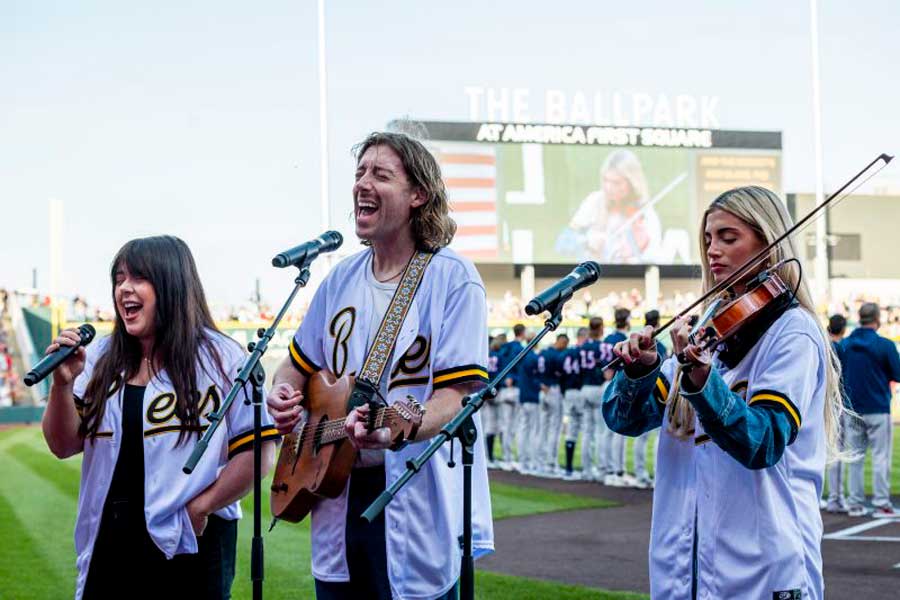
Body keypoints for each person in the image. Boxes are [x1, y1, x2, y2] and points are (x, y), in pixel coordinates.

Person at [265, 131, 493, 600]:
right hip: (334, 491)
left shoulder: (451, 278)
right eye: (359, 173)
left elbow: (456, 397)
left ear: (418, 195)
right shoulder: (339, 278)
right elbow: (295, 367)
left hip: (413, 491)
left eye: (380, 175)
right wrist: (283, 394)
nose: (362, 184)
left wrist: (396, 429)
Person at [603, 186, 846, 599]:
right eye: (708, 239)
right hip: (684, 562)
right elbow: (624, 420)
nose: (713, 250)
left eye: (729, 238)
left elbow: (762, 442)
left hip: (766, 564)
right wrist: (640, 372)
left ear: (768, 244)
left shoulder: (792, 331)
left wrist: (701, 381)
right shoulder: (705, 331)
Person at [41, 235, 279, 600]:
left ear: (171, 284)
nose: (124, 289)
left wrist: (203, 506)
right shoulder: (100, 355)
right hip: (112, 535)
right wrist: (62, 384)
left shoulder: (222, 357)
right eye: (119, 278)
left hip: (195, 538)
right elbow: (62, 444)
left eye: (138, 277)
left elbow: (258, 452)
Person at [842, 302, 900, 518]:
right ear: (877, 319)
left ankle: (855, 503)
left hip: (852, 408)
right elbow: (898, 374)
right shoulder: (884, 345)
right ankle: (881, 503)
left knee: (855, 458)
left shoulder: (846, 344)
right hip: (877, 407)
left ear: (859, 318)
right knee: (880, 457)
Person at [564, 149, 661, 263]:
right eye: (606, 180)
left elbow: (654, 257)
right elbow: (563, 242)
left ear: (631, 183)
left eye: (616, 183)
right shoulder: (595, 201)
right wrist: (586, 242)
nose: (608, 187)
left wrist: (633, 256)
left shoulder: (645, 212)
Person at [631, 309, 668, 489]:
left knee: (642, 437)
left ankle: (639, 474)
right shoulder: (658, 343)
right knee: (657, 438)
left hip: (645, 390)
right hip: (658, 393)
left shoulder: (638, 340)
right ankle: (652, 475)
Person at [578, 317, 612, 481]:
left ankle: (586, 470)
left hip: (584, 388)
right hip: (598, 387)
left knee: (587, 431)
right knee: (600, 431)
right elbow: (608, 372)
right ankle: (601, 470)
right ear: (600, 328)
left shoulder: (582, 347)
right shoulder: (603, 346)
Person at [602, 308, 631, 487]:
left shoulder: (607, 339)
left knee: (605, 432)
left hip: (605, 384)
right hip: (619, 384)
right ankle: (616, 471)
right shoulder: (623, 339)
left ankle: (607, 468)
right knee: (619, 432)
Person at [824, 313, 849, 513]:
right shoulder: (838, 348)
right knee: (835, 452)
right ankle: (835, 497)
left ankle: (832, 497)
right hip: (832, 404)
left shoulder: (820, 341)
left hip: (818, 403)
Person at [497, 323, 526, 469]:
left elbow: (499, 364)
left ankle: (506, 457)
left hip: (503, 388)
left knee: (505, 425)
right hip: (515, 387)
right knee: (516, 425)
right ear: (523, 332)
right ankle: (515, 459)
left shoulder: (504, 347)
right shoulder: (519, 347)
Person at [537, 333, 567, 476]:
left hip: (542, 390)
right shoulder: (557, 356)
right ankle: (551, 462)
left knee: (543, 427)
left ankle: (540, 461)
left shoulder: (543, 352)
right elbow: (561, 374)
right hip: (553, 389)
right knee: (555, 428)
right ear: (561, 341)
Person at [513, 330, 541, 474]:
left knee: (523, 429)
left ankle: (523, 462)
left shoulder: (522, 355)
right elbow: (538, 379)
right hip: (533, 396)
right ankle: (532, 462)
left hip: (523, 395)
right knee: (534, 431)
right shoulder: (534, 357)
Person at [561, 328, 587, 479]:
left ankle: (569, 468)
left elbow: (560, 373)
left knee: (571, 430)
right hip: (580, 390)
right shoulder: (583, 351)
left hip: (568, 393)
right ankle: (586, 469)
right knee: (587, 430)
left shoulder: (567, 353)